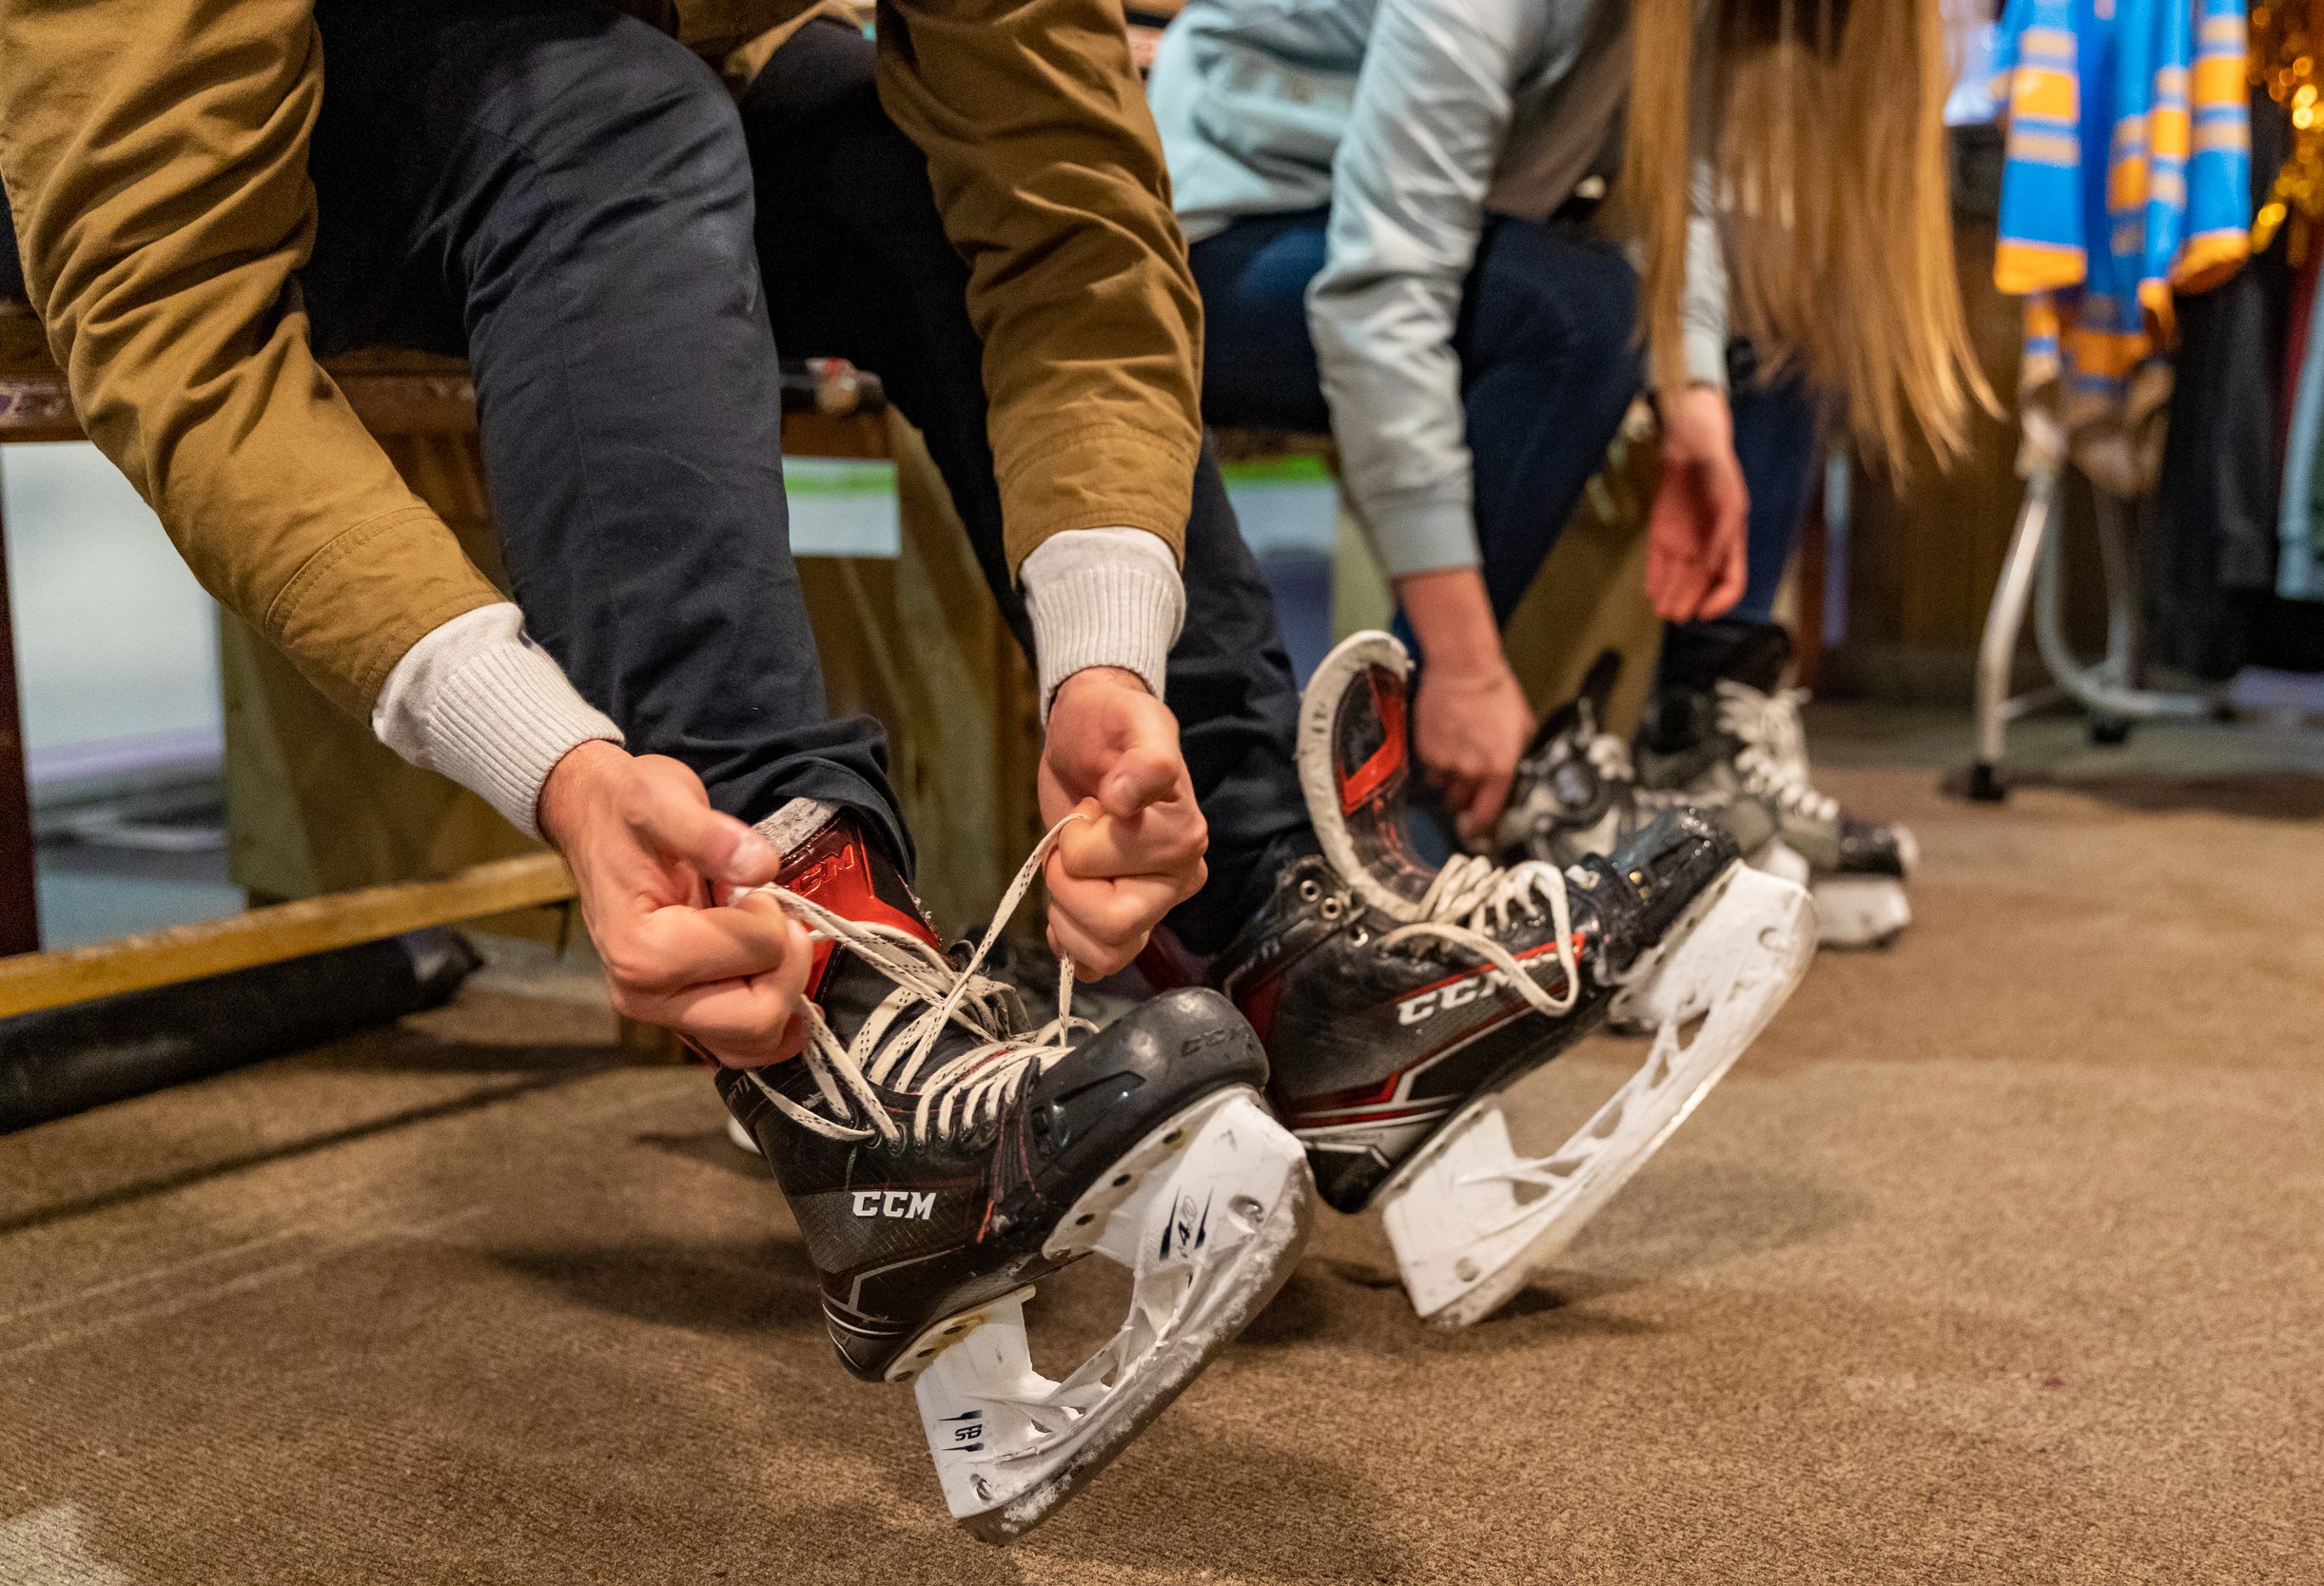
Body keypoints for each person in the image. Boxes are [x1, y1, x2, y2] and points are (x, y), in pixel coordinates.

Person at [0, 0, 1805, 1527]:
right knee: (603, 103)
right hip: (152, 147)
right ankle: (820, 988)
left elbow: (1065, 200)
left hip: (623, 71)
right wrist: (554, 759)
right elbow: (168, 291)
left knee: (879, 131)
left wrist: (1111, 666)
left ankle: (1272, 913)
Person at [1147, 0, 1990, 947]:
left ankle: (1695, 745)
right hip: (1213, 230)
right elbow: (1379, 299)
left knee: (1735, 305)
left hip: (1389, 219)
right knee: (1576, 314)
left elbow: (1668, 175)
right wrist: (1462, 666)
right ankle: (1392, 798)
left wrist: (1695, 406)